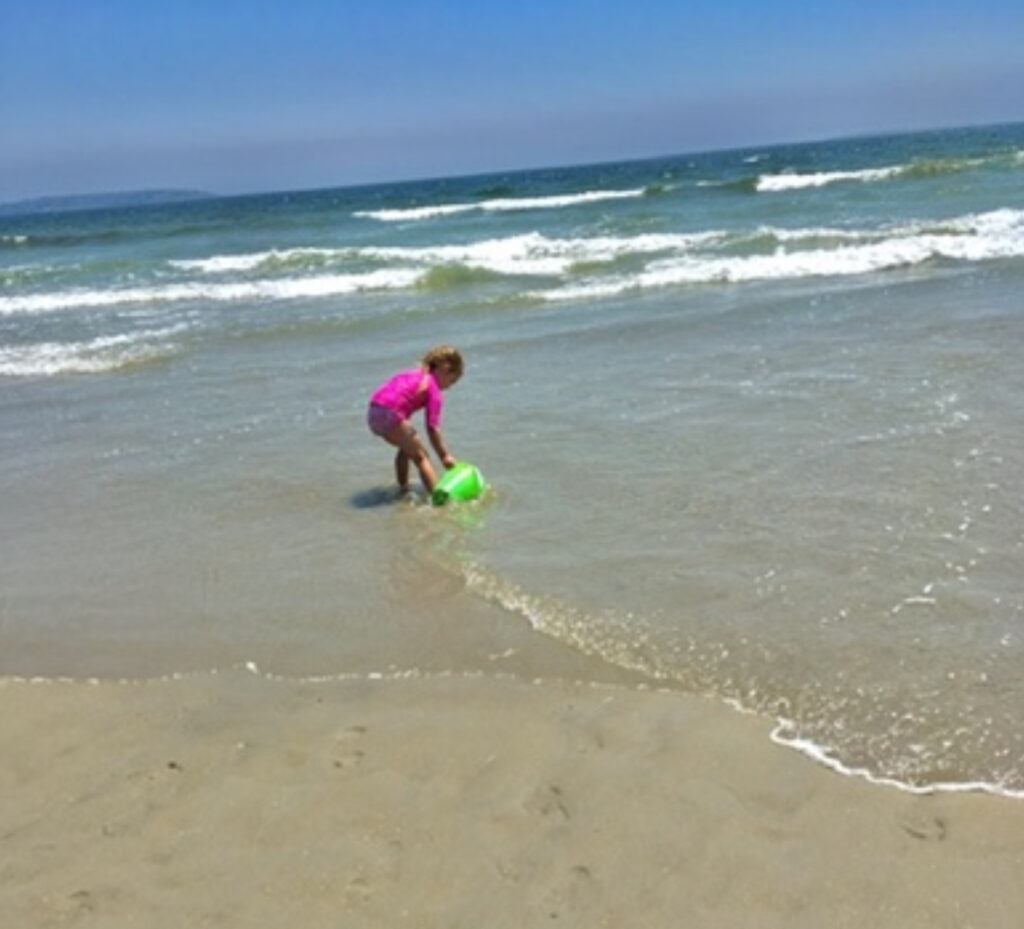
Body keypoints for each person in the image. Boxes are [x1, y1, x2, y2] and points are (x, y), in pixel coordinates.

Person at [366, 345, 463, 494]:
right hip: (390, 411)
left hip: (374, 411)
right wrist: (445, 455)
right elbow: (432, 427)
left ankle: (403, 488)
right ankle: (438, 499)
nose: (449, 387)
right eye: (452, 381)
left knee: (406, 449)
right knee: (422, 456)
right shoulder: (433, 387)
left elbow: (395, 392)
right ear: (446, 369)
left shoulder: (411, 375)